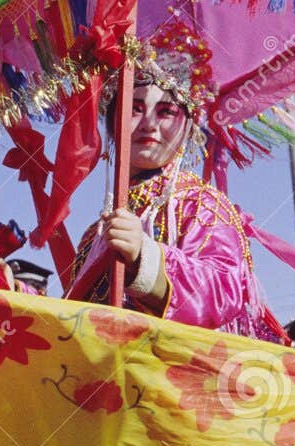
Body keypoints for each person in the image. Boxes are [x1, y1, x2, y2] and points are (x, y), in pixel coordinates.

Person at [69, 17, 283, 343]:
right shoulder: (93, 234)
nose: (149, 125)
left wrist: (145, 257)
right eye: (135, 108)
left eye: (166, 111)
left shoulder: (201, 205)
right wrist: (14, 289)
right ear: (112, 122)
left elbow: (226, 289)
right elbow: (76, 317)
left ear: (186, 126)